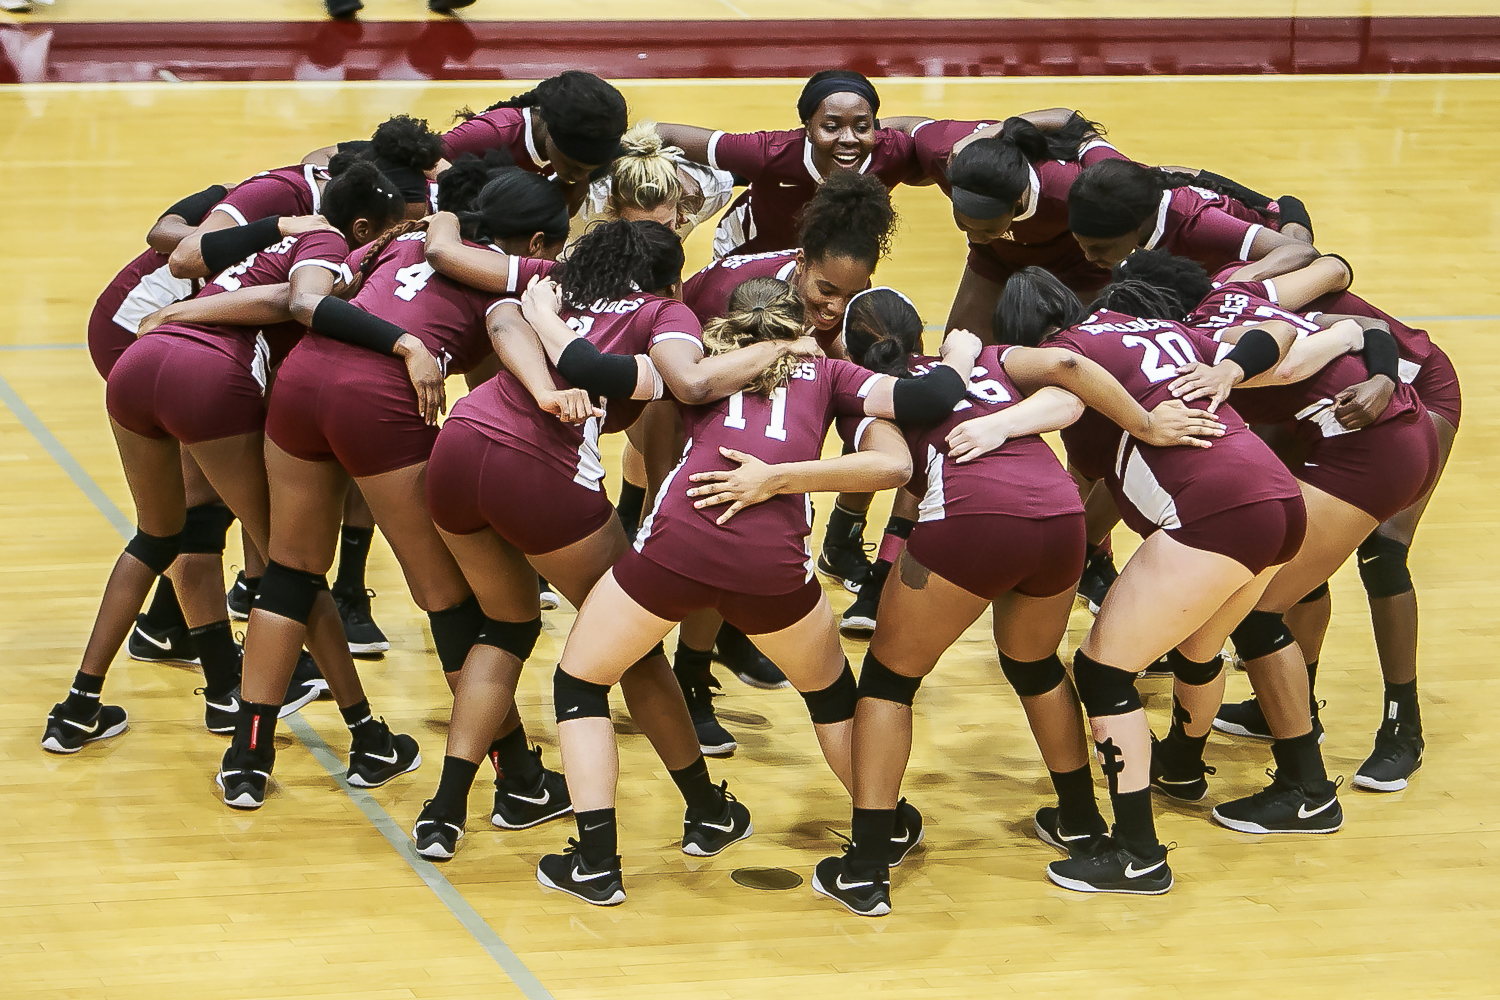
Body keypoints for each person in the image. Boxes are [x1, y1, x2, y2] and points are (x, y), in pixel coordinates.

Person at [535, 279, 983, 907]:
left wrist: (541, 315)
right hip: (772, 564)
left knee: (580, 683)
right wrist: (960, 355)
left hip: (680, 542)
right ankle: (881, 829)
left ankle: (596, 863)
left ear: (729, 320)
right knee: (832, 699)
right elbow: (932, 398)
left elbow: (588, 367)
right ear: (798, 322)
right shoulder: (829, 373)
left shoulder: (693, 362)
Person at [409, 222, 828, 862]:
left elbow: (501, 321)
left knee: (503, 625)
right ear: (668, 280)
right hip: (539, 470)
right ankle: (705, 807)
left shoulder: (558, 286)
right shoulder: (668, 314)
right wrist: (790, 349)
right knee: (629, 648)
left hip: (460, 442)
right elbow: (687, 382)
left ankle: (446, 809)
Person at [812, 287, 1226, 916]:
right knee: (1035, 666)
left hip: (975, 520)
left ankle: (868, 863)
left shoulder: (869, 398)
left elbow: (891, 470)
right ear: (922, 336)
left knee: (888, 683)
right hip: (1062, 517)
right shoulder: (987, 361)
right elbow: (1066, 383)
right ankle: (1082, 821)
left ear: (854, 349)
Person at [212, 159, 565, 810]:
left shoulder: (404, 238)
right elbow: (497, 381)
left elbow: (335, 300)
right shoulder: (511, 280)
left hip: (303, 378)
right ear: (537, 245)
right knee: (446, 597)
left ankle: (247, 755)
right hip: (378, 401)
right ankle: (518, 778)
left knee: (288, 570)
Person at [41, 160, 407, 756]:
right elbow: (299, 298)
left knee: (156, 536)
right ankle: (366, 731)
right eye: (391, 233)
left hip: (142, 364)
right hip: (204, 371)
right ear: (365, 227)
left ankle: (80, 705)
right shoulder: (329, 243)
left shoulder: (277, 238)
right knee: (294, 568)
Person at [986, 267, 1316, 894]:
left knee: (1104, 672)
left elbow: (1068, 371)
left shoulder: (1059, 351)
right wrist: (1230, 372)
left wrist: (1140, 424)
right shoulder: (1159, 331)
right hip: (1278, 498)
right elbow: (1275, 327)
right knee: (1198, 647)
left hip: (1216, 511)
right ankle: (1236, 777)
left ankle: (1137, 853)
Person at [1118, 249, 1456, 793]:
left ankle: (1395, 732)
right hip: (1332, 421)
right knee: (1282, 567)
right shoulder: (1234, 289)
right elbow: (1339, 331)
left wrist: (1385, 379)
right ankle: (1291, 711)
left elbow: (1342, 313)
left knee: (1341, 572)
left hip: (1396, 403)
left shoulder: (1207, 336)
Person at [675, 171, 899, 747]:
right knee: (711, 522)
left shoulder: (841, 301)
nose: (835, 306)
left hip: (755, 399)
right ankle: (689, 676)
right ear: (800, 263)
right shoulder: (742, 292)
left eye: (851, 294)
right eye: (825, 289)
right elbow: (688, 373)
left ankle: (727, 635)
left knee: (759, 510)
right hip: (688, 384)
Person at [656, 70, 924, 258]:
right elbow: (658, 132)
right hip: (751, 252)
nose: (848, 139)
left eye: (861, 126)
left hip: (828, 259)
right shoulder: (766, 152)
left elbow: (930, 135)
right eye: (831, 127)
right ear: (807, 128)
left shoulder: (890, 151)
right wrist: (673, 169)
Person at [908, 112, 1126, 334]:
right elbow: (903, 126)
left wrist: (1001, 126)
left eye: (988, 229)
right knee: (960, 349)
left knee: (1087, 350)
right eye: (964, 226)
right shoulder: (946, 152)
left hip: (1077, 262)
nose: (974, 237)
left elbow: (1071, 120)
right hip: (995, 258)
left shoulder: (1068, 189)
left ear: (1019, 199)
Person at [1066, 158, 1317, 275]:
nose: (1089, 257)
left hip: (1277, 243)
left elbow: (1302, 252)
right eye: (1082, 245)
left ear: (1138, 223)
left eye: (1100, 247)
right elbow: (1074, 123)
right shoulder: (1127, 178)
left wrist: (1235, 283)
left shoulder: (1200, 225)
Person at [442, 71, 629, 203]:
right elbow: (422, 157)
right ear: (550, 130)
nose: (579, 176)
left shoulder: (602, 144)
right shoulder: (492, 133)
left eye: (589, 170)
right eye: (574, 166)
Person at [574, 121, 736, 241]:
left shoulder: (704, 192)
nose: (651, 239)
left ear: (680, 210)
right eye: (637, 228)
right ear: (611, 205)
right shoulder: (581, 202)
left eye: (664, 226)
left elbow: (751, 166)